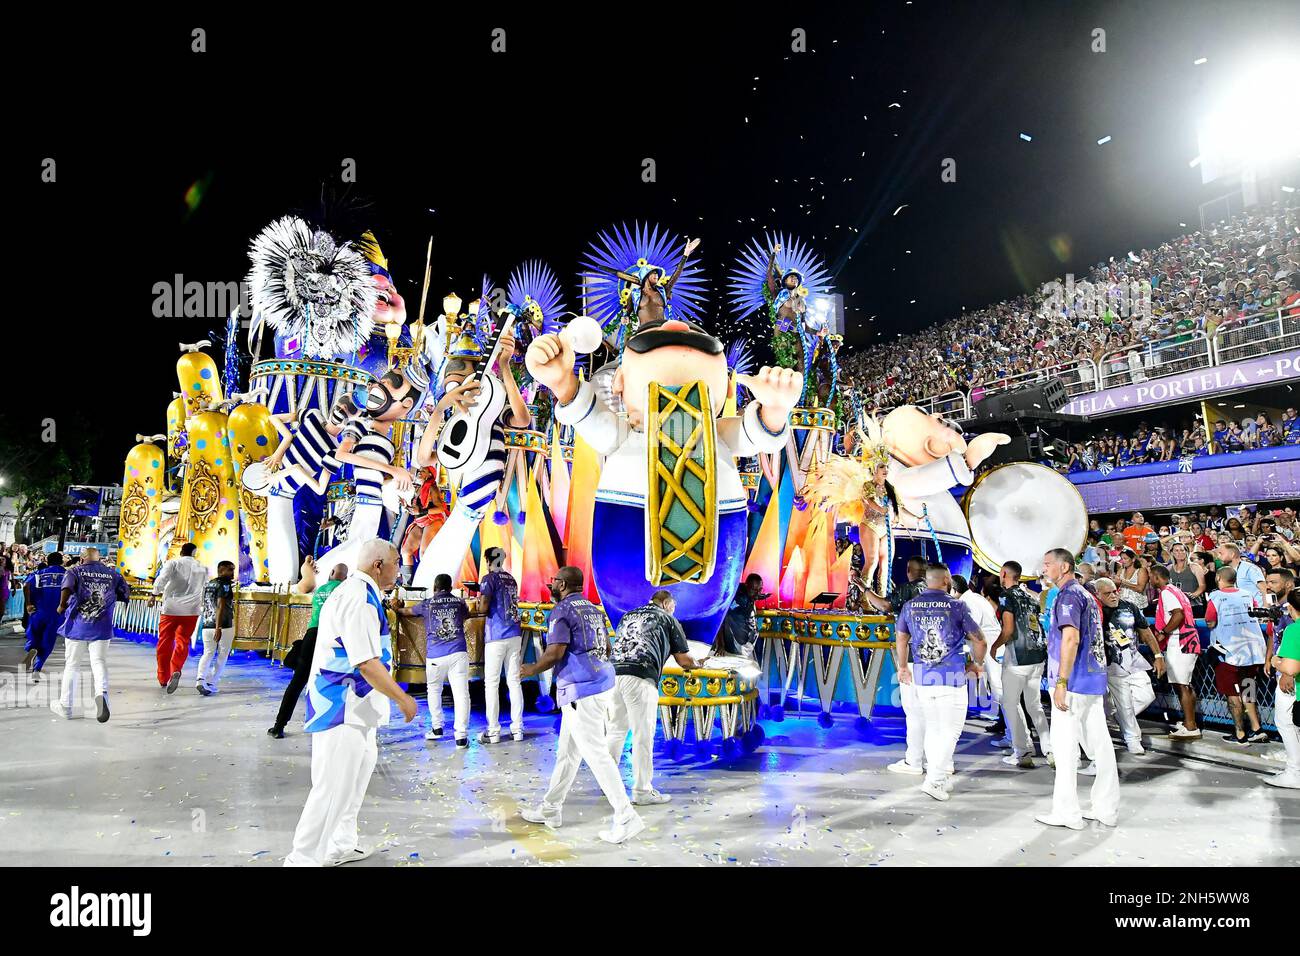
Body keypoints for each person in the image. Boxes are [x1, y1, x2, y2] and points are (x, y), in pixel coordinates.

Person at [284, 539, 417, 867]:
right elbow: (366, 662)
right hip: (341, 707)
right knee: (331, 790)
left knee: (352, 784)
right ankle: (302, 860)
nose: (400, 569)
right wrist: (403, 699)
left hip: (357, 708)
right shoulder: (358, 598)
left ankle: (341, 844)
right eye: (397, 563)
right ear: (378, 565)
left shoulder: (363, 593)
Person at [518, 566, 643, 843]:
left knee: (595, 753)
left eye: (553, 582)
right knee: (568, 752)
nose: (551, 585)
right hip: (600, 682)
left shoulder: (562, 610)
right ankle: (551, 809)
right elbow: (607, 649)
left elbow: (555, 652)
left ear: (562, 584)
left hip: (582, 691)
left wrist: (531, 669)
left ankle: (626, 816)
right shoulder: (593, 609)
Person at [1035, 548, 1118, 830]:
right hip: (1093, 681)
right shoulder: (1087, 595)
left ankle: (1067, 813)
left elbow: (1070, 639)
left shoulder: (1068, 596)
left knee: (1064, 747)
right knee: (1101, 745)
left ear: (1065, 566)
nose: (1044, 569)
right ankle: (1106, 808)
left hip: (1073, 683)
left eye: (1048, 564)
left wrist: (1060, 682)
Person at [892, 563, 987, 802]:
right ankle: (934, 780)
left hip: (923, 677)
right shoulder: (957, 606)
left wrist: (902, 667)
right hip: (950, 677)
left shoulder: (910, 606)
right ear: (947, 580)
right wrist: (977, 663)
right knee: (950, 732)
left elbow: (901, 637)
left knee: (934, 729)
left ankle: (939, 778)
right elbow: (980, 639)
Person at [606, 590, 703, 804]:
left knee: (615, 730)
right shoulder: (667, 618)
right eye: (673, 606)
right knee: (643, 735)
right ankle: (642, 791)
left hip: (614, 675)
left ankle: (608, 785)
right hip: (640, 676)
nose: (674, 610)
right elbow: (684, 660)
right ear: (667, 603)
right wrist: (699, 664)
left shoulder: (628, 615)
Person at [269, 558, 348, 739]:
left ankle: (279, 725)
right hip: (333, 638)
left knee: (297, 682)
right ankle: (333, 725)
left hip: (312, 635)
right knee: (336, 680)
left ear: (331, 574)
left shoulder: (320, 590)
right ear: (346, 578)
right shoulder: (345, 591)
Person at [53, 547, 131, 723]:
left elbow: (66, 588)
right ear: (100, 559)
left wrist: (62, 605)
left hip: (77, 626)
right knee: (99, 662)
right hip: (102, 626)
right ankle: (101, 694)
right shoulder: (113, 574)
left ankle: (66, 706)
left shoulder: (75, 570)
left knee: (72, 665)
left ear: (81, 559)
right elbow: (125, 594)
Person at [990, 560, 1053, 768]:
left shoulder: (1006, 596)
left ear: (1004, 573)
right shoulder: (1029, 595)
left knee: (1011, 703)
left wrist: (994, 646)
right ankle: (1050, 749)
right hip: (1037, 656)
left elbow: (1008, 629)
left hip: (1017, 657)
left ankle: (1022, 751)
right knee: (1034, 705)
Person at [397, 573, 470, 746]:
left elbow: (406, 612)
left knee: (434, 691)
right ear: (451, 588)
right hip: (458, 653)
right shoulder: (459, 603)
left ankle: (437, 728)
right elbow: (466, 615)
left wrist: (396, 608)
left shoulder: (427, 604)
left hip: (435, 656)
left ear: (434, 588)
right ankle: (461, 736)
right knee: (461, 695)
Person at [1094, 577, 1165, 755]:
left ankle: (1114, 716)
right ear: (1098, 595)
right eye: (1107, 593)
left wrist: (1158, 655)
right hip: (1112, 664)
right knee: (1124, 702)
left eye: (1114, 591)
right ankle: (1133, 738)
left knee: (1146, 695)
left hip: (1133, 659)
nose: (1113, 596)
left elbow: (1146, 632)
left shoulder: (1129, 606)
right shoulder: (1095, 611)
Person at [1203, 566, 1270, 744]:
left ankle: (1240, 734)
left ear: (1218, 578)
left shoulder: (1215, 596)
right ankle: (1256, 729)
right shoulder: (1247, 594)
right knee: (1248, 687)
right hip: (1252, 650)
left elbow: (1210, 622)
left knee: (1233, 694)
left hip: (1229, 652)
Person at [477, 547, 526, 743]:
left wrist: (478, 601)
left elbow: (483, 608)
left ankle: (493, 731)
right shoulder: (511, 578)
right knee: (514, 682)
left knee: (491, 684)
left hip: (496, 635)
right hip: (514, 633)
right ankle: (518, 729)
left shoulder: (488, 579)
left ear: (489, 560)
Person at [1150, 563, 1203, 739]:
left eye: (1151, 576)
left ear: (1157, 577)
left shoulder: (1166, 592)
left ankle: (1190, 726)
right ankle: (1190, 723)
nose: (1150, 580)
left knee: (1182, 685)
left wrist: (1163, 632)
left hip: (1180, 641)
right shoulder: (1175, 590)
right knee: (1185, 684)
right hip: (1184, 640)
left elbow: (1178, 614)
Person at [150, 542, 209, 693]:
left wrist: (153, 595)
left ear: (181, 552)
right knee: (182, 642)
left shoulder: (173, 563)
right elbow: (205, 588)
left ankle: (163, 677)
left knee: (165, 641)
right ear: (195, 553)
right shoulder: (203, 568)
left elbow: (162, 580)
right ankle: (176, 669)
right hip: (192, 611)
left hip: (171, 608)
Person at [952, 574, 1002, 725]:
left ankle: (1006, 722)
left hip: (988, 642)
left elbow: (973, 628)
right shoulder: (974, 597)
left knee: (996, 681)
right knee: (993, 681)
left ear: (954, 590)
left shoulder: (968, 601)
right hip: (989, 641)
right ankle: (999, 717)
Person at [1265, 589, 1300, 788]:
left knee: (1287, 724)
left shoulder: (1295, 629)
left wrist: (1275, 661)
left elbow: (1291, 667)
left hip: (1295, 688)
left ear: (1291, 607)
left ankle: (1295, 772)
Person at [194, 560, 236, 695]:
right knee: (223, 654)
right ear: (221, 570)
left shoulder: (209, 584)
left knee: (208, 653)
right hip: (223, 625)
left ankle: (200, 679)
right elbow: (220, 605)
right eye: (230, 570)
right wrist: (218, 627)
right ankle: (211, 682)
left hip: (207, 624)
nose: (232, 573)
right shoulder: (225, 585)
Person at [21, 552, 66, 680]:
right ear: (61, 561)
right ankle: (37, 667)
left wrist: (28, 604)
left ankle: (32, 647)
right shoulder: (68, 574)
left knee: (34, 634)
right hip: (56, 613)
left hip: (38, 611)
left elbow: (26, 585)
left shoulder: (39, 573)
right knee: (48, 641)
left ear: (47, 561)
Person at [720, 573, 766, 659]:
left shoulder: (750, 596)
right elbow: (721, 619)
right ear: (746, 586)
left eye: (760, 590)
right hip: (734, 649)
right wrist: (721, 645)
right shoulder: (738, 600)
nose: (757, 593)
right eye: (754, 590)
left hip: (746, 648)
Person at [861, 555, 927, 614]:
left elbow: (885, 606)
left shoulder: (907, 589)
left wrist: (865, 589)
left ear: (908, 570)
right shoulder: (933, 588)